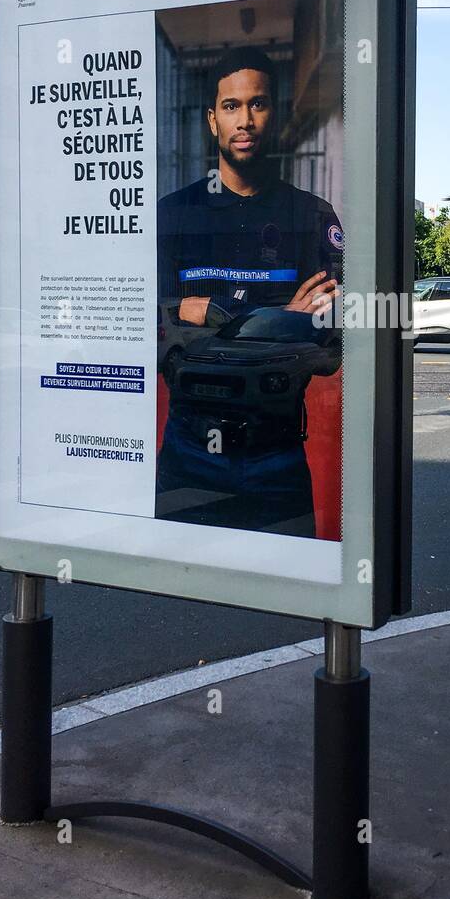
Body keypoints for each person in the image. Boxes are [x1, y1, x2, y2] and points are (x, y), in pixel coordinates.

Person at [156, 46, 343, 537]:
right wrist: (282, 320)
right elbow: (141, 326)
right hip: (189, 450)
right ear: (211, 121)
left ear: (275, 116)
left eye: (258, 104)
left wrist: (206, 317)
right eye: (231, 106)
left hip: (277, 453)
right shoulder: (172, 216)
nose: (245, 120)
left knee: (291, 597)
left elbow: (330, 350)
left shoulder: (311, 216)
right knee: (186, 591)